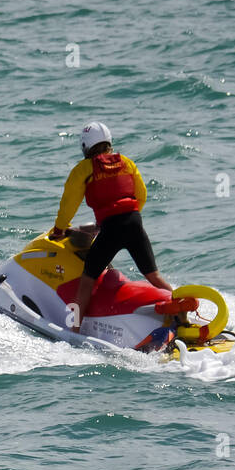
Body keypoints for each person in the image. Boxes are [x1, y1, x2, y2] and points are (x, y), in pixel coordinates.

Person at [49, 121, 173, 327]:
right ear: (109, 141)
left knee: (87, 280)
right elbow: (141, 195)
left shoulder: (84, 169)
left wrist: (60, 228)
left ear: (85, 146)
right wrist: (126, 217)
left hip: (112, 228)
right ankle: (185, 313)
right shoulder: (127, 162)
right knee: (154, 275)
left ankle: (74, 328)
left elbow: (69, 202)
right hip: (134, 221)